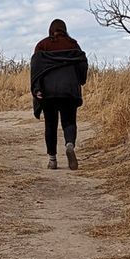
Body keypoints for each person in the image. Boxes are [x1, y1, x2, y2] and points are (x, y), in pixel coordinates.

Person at [30, 18, 88, 170]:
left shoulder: (42, 45)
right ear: (64, 29)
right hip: (69, 90)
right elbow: (82, 62)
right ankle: (69, 145)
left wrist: (37, 89)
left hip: (48, 93)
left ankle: (52, 160)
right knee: (69, 121)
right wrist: (80, 80)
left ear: (51, 30)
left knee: (50, 125)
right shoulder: (73, 44)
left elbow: (36, 68)